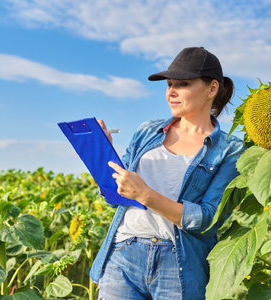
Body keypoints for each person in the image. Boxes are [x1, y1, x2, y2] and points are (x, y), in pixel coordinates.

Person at [90, 47, 246, 300]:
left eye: (182, 84)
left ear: (212, 88)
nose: (171, 92)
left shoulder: (230, 150)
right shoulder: (147, 131)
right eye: (169, 84)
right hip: (123, 253)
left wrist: (146, 195)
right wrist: (101, 155)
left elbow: (208, 219)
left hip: (178, 263)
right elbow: (114, 196)